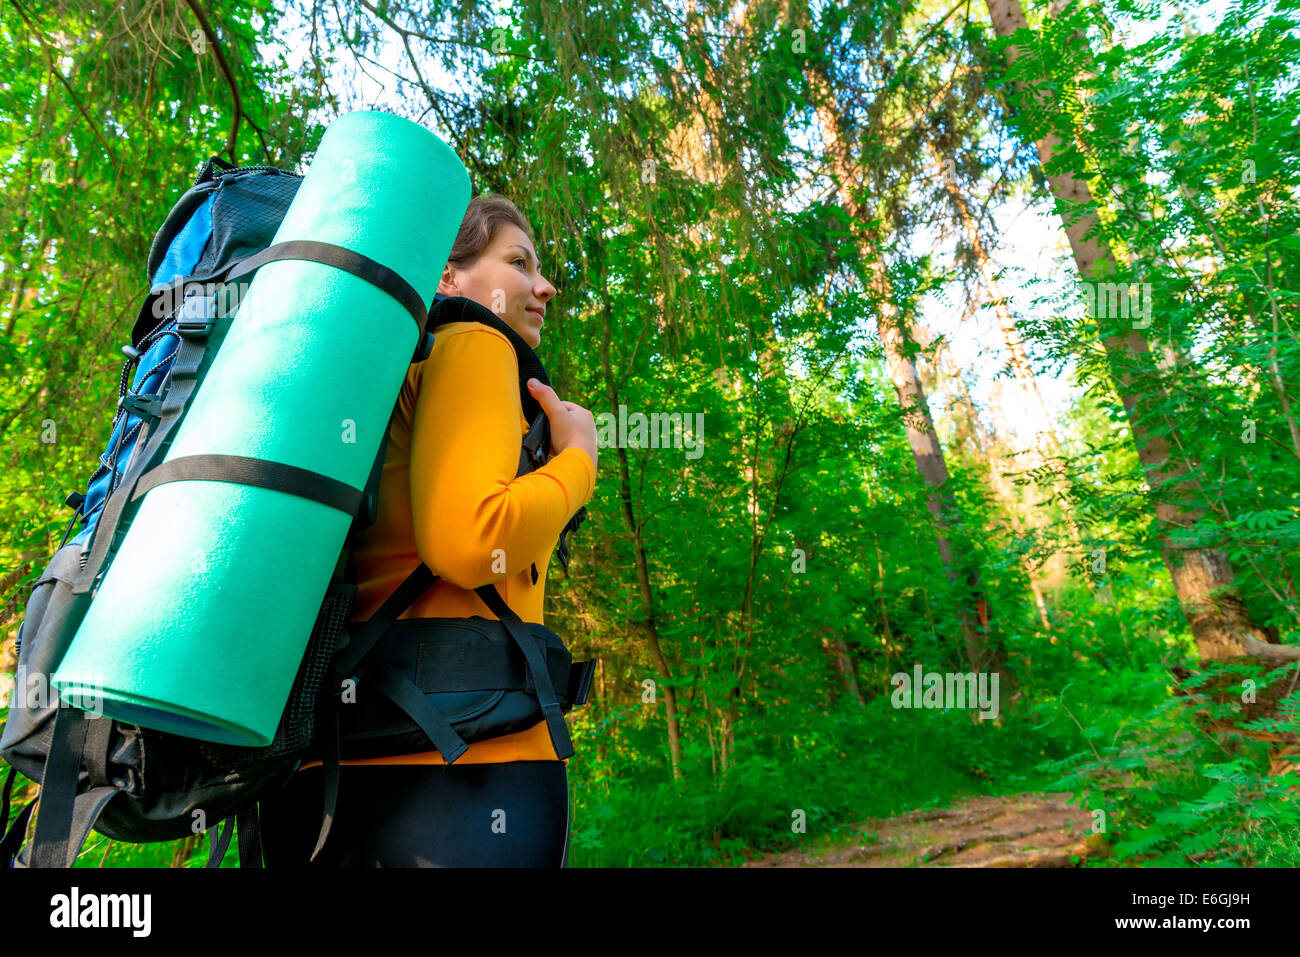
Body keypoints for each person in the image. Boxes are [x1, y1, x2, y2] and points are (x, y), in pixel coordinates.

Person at [256, 195, 599, 867]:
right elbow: (472, 540)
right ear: (448, 278)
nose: (545, 285)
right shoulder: (475, 341)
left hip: (315, 780)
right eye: (519, 261)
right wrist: (579, 460)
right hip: (464, 769)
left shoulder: (372, 386)